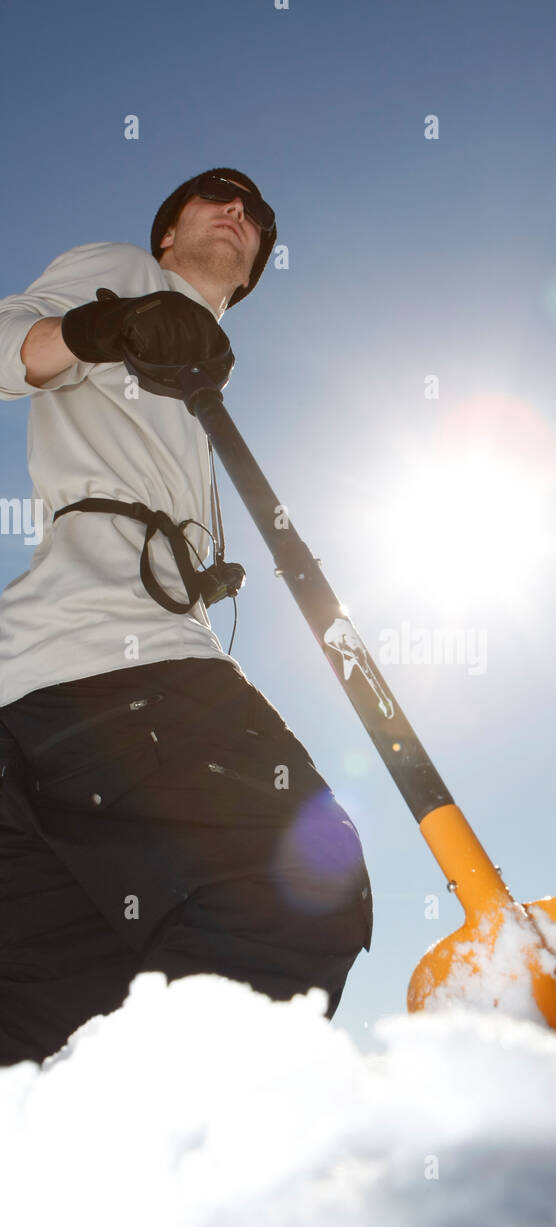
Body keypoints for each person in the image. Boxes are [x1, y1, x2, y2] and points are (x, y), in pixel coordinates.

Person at [0, 168, 373, 1066]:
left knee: (58, 1019)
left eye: (258, 216)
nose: (240, 212)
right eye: (217, 196)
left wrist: (201, 571)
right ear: (167, 235)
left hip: (34, 706)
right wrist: (104, 323)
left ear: (247, 280)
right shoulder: (123, 270)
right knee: (294, 892)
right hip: (104, 667)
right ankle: (165, 1165)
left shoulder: (191, 381)